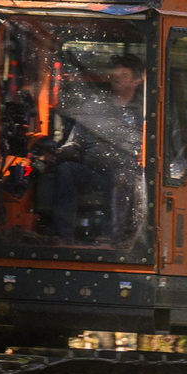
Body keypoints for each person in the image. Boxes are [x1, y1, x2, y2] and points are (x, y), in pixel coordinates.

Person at [39, 54, 145, 244]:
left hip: (126, 175)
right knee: (66, 171)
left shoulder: (144, 112)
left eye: (124, 74)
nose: (116, 77)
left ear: (138, 80)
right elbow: (75, 143)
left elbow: (149, 146)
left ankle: (110, 238)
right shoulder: (95, 107)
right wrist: (58, 153)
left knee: (121, 177)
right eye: (114, 72)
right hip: (92, 171)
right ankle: (63, 238)